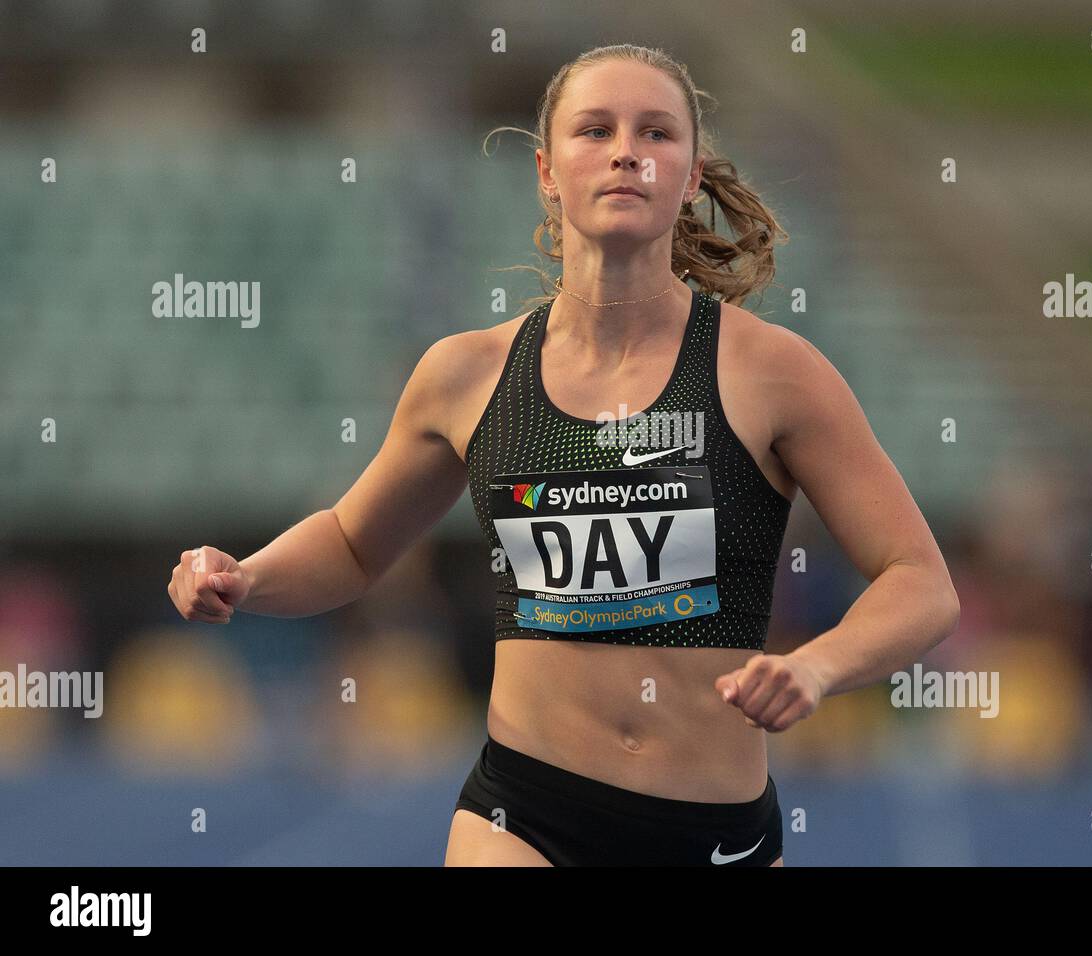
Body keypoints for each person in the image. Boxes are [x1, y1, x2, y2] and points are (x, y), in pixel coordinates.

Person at [166, 43, 960, 866]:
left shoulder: (773, 372)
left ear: (690, 177)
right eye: (595, 130)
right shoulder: (466, 375)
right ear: (548, 171)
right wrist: (247, 575)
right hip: (522, 814)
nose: (625, 150)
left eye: (656, 133)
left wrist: (818, 668)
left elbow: (921, 584)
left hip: (711, 836)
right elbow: (352, 543)